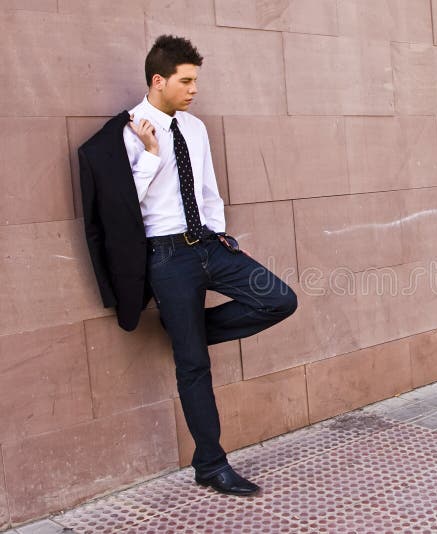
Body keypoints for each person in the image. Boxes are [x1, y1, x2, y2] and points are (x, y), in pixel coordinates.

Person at [79, 35, 297, 496]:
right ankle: (211, 465)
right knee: (193, 365)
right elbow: (121, 212)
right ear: (158, 81)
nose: (194, 89)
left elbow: (208, 187)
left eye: (196, 80)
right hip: (166, 256)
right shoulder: (125, 134)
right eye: (186, 81)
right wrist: (151, 157)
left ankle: (187, 330)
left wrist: (221, 233)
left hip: (210, 246)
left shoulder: (194, 128)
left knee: (279, 299)